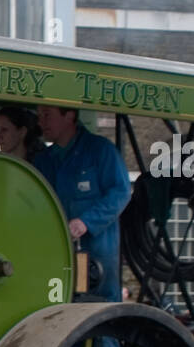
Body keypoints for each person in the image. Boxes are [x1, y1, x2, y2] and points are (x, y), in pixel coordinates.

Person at [35, 105, 132, 302]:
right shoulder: (43, 161)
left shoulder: (100, 150)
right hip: (57, 254)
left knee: (100, 312)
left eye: (47, 115)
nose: (41, 122)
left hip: (98, 253)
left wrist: (85, 222)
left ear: (70, 115)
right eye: (39, 116)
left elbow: (121, 192)